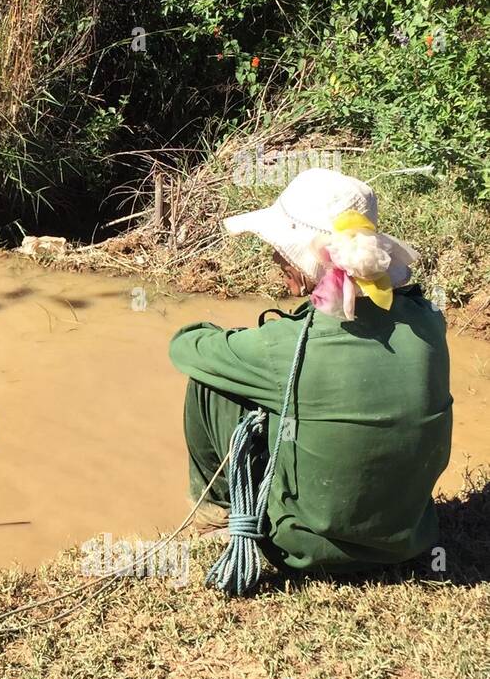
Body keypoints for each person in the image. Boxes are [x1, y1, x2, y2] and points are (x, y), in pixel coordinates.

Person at [169, 168, 452, 573]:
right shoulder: (429, 321)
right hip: (410, 537)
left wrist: (226, 336)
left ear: (306, 259)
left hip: (302, 548)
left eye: (279, 252)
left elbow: (186, 347)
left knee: (209, 381)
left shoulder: (289, 344)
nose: (272, 259)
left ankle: (216, 515)